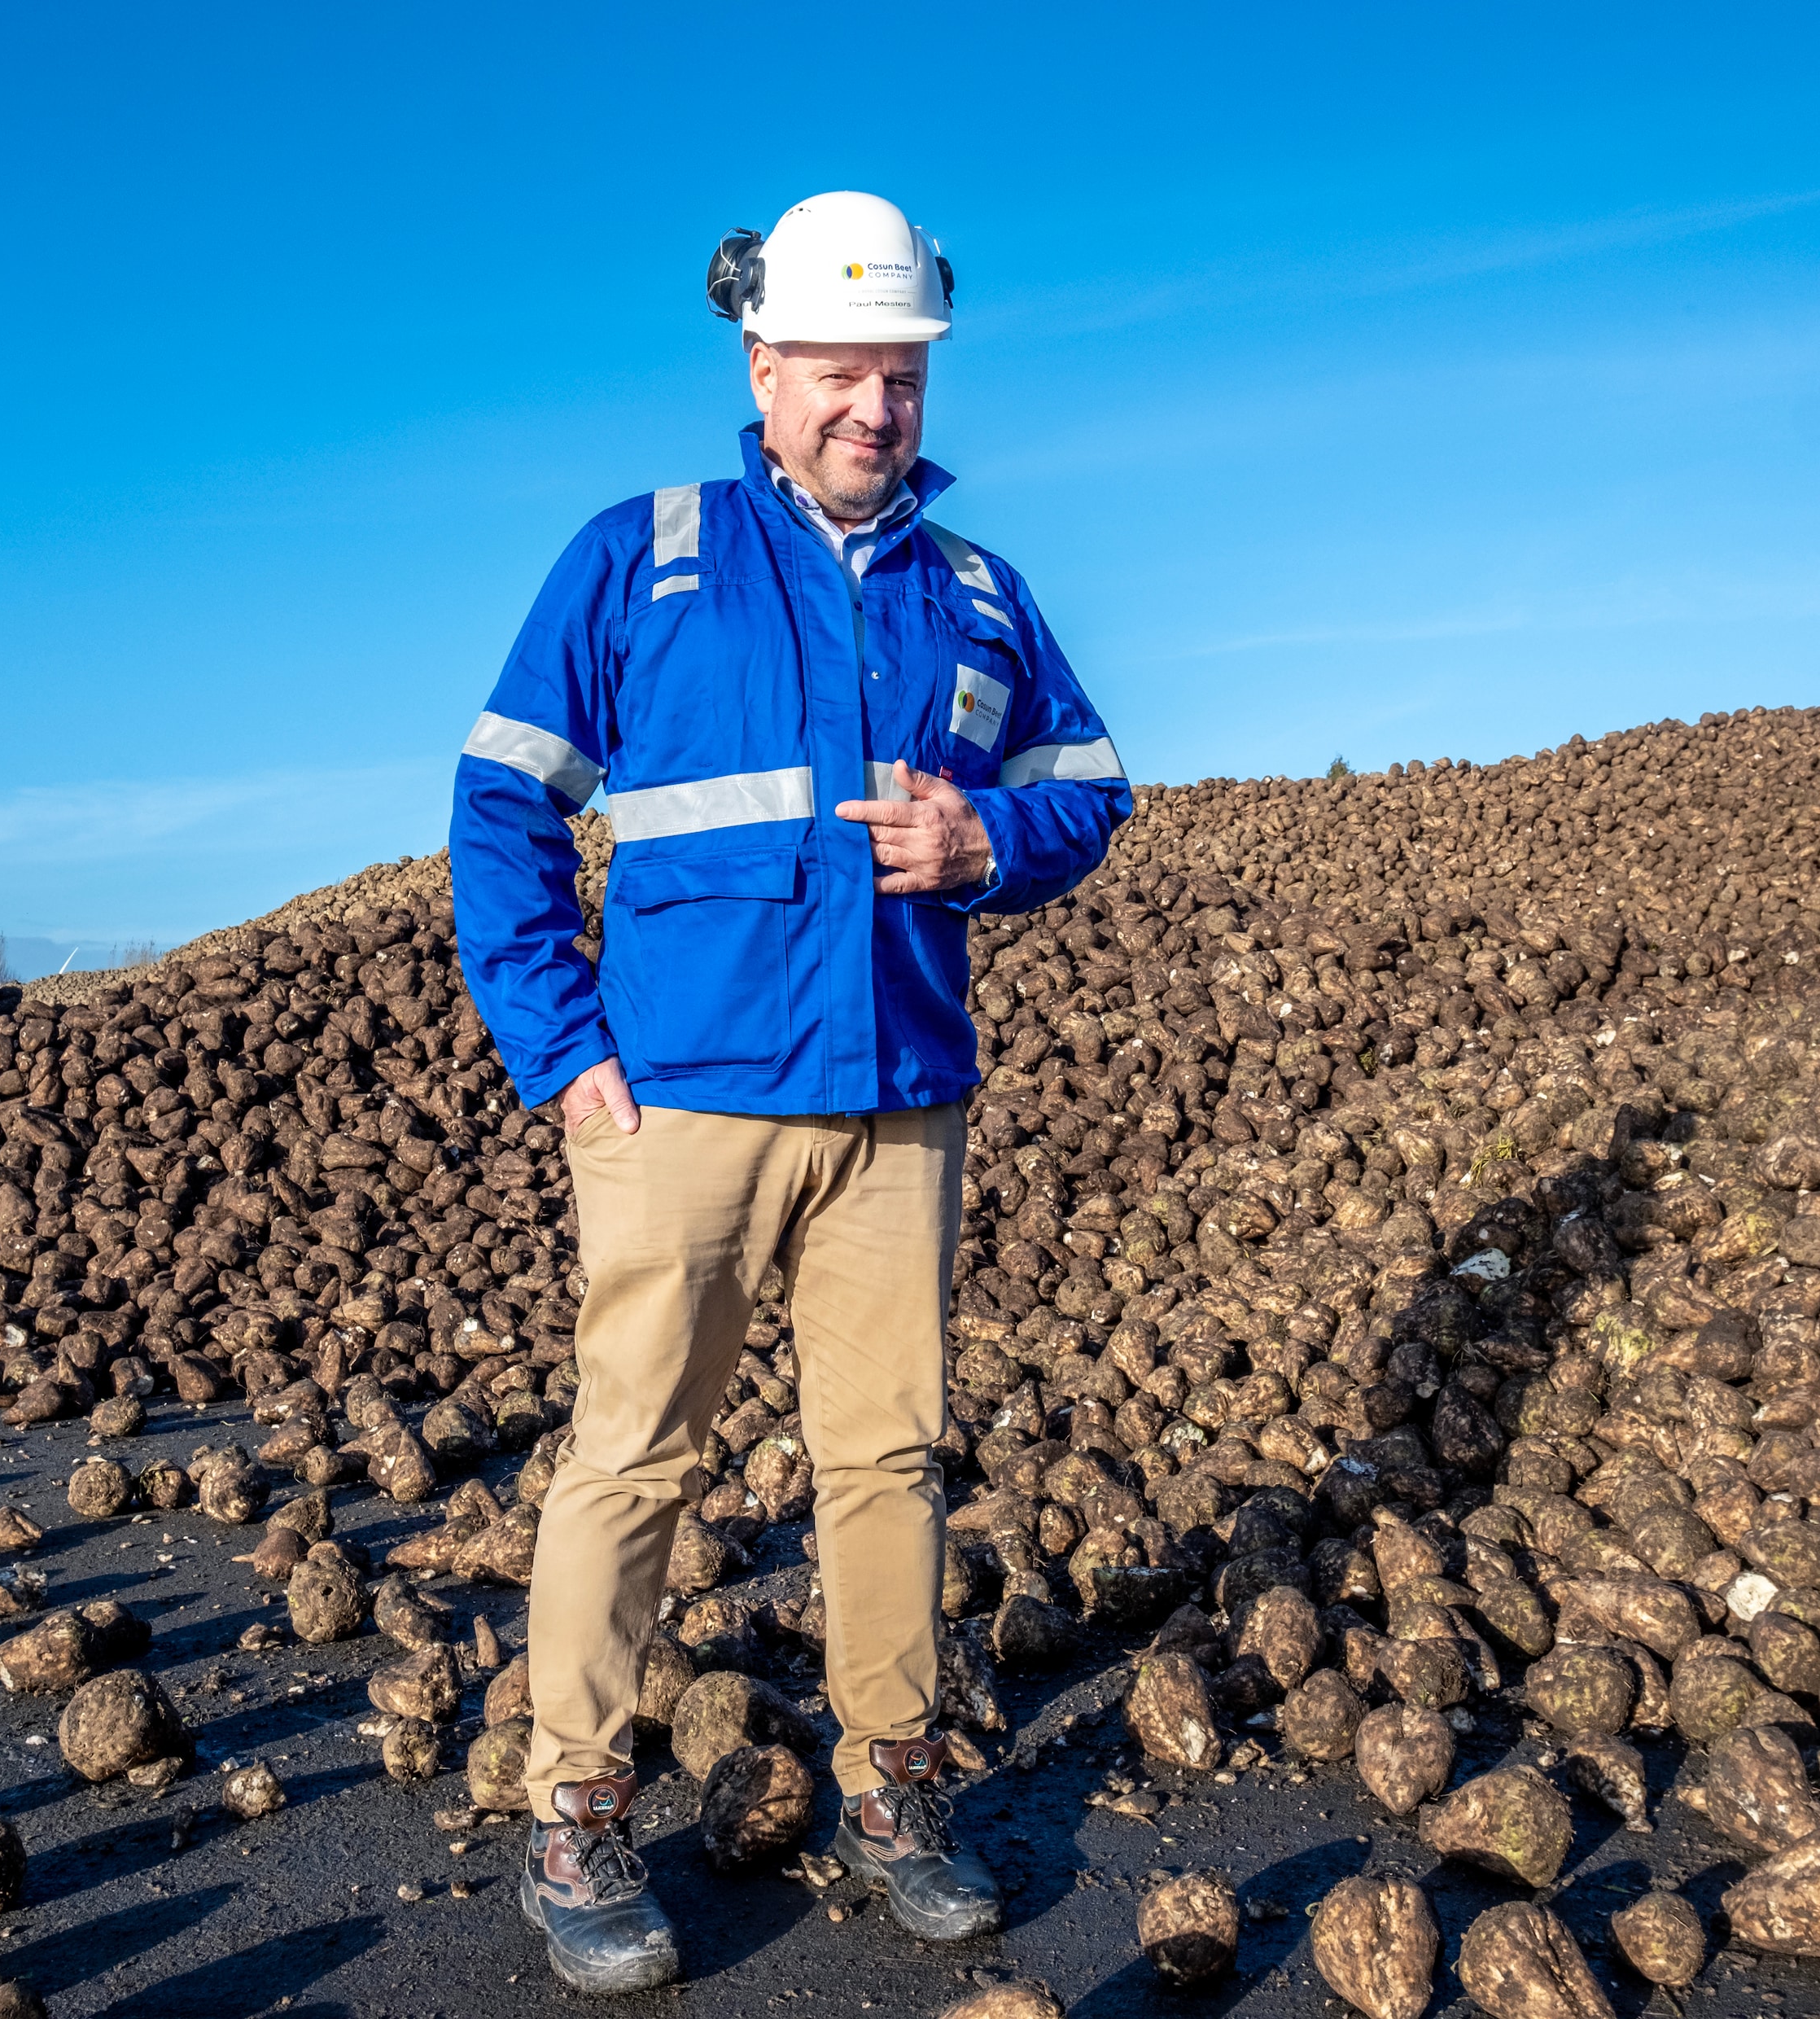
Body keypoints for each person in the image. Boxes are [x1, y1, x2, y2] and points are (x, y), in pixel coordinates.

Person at [450, 190, 1129, 1995]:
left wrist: (990, 835)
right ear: (763, 368)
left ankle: (896, 1784)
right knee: (631, 1458)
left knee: (888, 1455)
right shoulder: (642, 554)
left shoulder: (981, 592)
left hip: (902, 1098)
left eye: (897, 374)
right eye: (838, 371)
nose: (873, 409)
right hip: (681, 1102)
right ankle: (576, 1806)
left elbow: (1092, 791)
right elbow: (503, 802)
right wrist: (562, 1051)